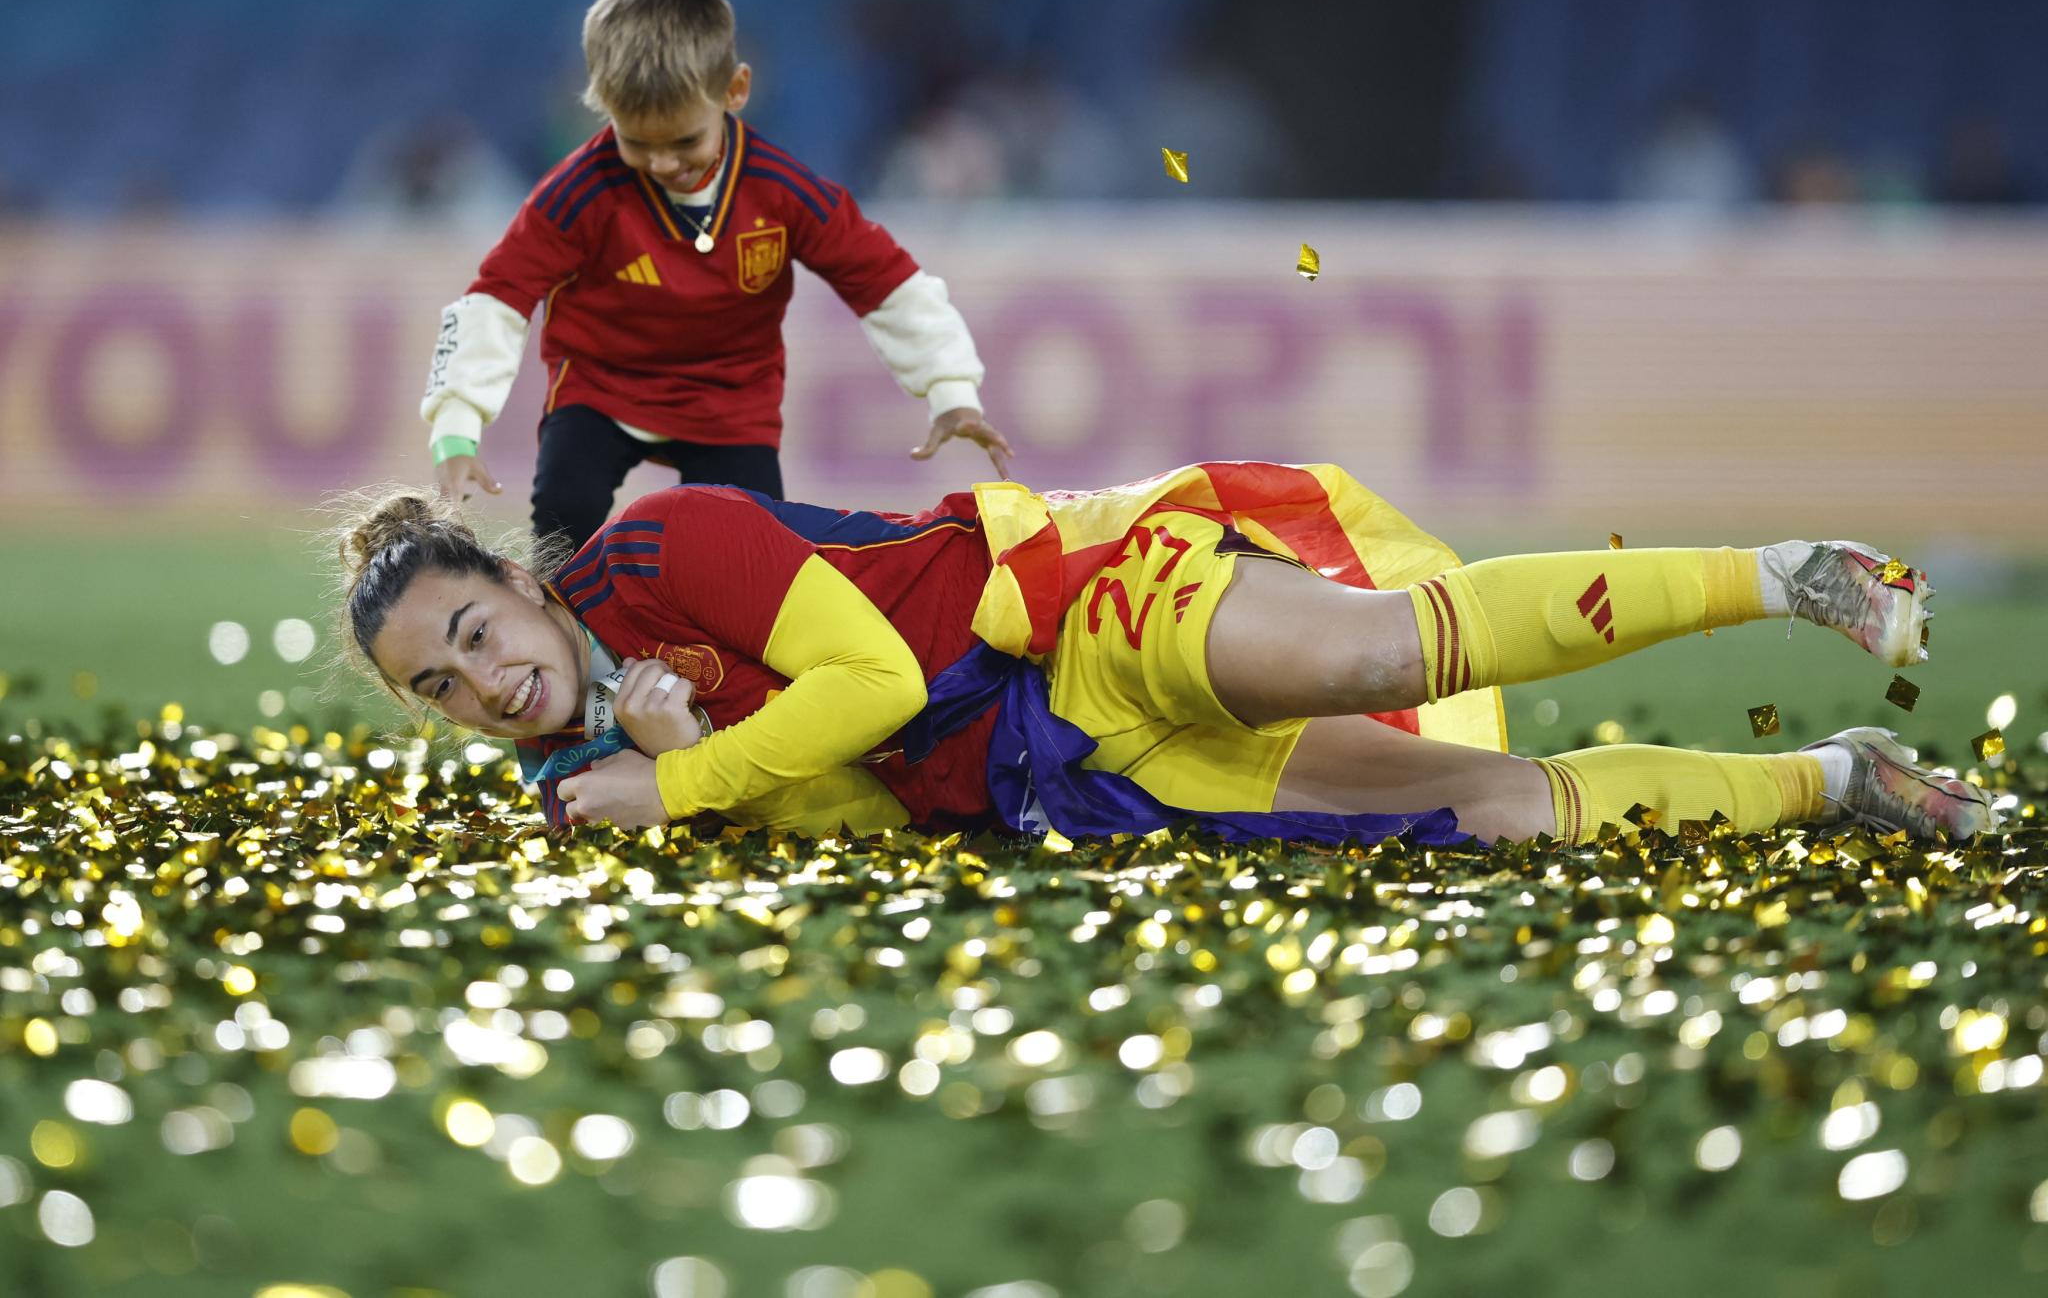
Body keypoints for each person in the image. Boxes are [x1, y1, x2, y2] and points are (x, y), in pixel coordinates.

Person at [336, 463, 1996, 849]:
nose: (480, 684)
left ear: (521, 576)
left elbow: (874, 686)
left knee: (1359, 646)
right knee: (1494, 813)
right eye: (440, 686)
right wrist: (673, 781)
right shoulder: (586, 763)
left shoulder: (664, 539)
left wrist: (686, 773)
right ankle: (1837, 777)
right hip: (1063, 769)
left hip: (1066, 612)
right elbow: (853, 800)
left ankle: (1783, 575)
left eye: (472, 631)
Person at [420, 0, 1013, 552]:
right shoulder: (578, 192)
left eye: (683, 142)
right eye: (636, 142)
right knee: (563, 514)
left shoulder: (781, 191)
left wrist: (950, 385)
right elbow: (497, 298)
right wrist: (456, 429)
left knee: (750, 548)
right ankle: (563, 632)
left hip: (731, 405)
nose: (662, 165)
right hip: (602, 391)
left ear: (735, 92)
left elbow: (884, 281)